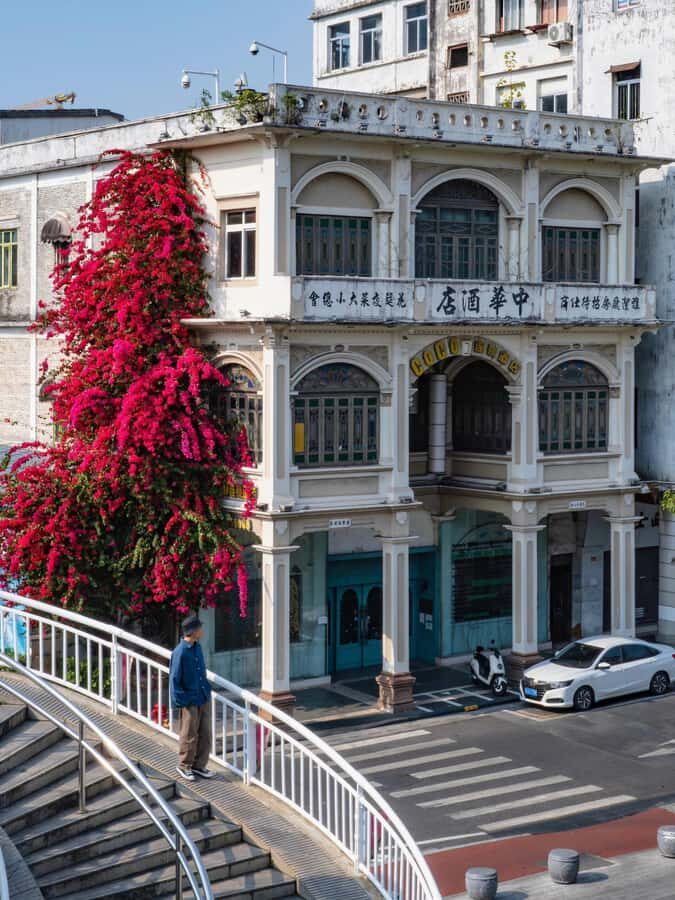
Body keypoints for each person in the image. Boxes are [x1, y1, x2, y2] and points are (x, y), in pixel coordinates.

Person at [169, 614, 214, 781]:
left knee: (205, 734)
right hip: (189, 700)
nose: (202, 630)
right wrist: (182, 701)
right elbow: (174, 679)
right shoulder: (180, 652)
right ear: (194, 631)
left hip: (202, 696)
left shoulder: (197, 647)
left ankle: (199, 765)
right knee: (189, 734)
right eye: (200, 628)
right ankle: (184, 765)